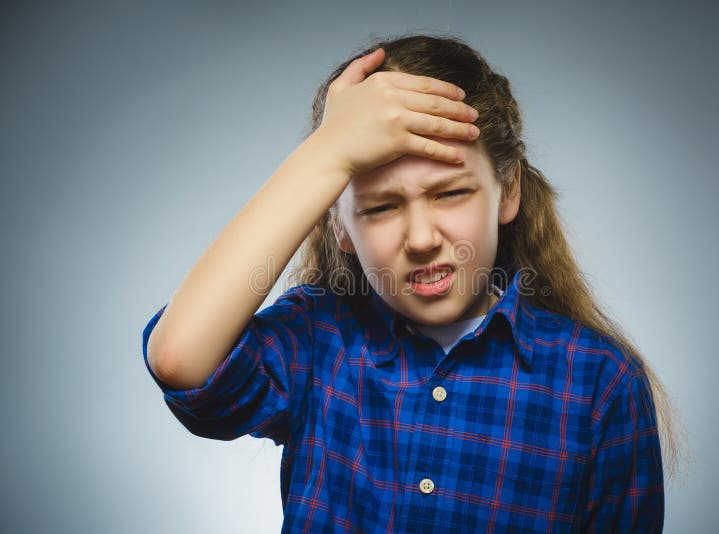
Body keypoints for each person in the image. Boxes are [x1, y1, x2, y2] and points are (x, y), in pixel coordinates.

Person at [142, 34, 683, 532]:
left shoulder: (600, 383)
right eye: (380, 207)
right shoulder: (317, 337)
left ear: (508, 190)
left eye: (450, 194)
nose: (422, 238)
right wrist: (328, 152)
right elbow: (179, 356)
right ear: (340, 226)